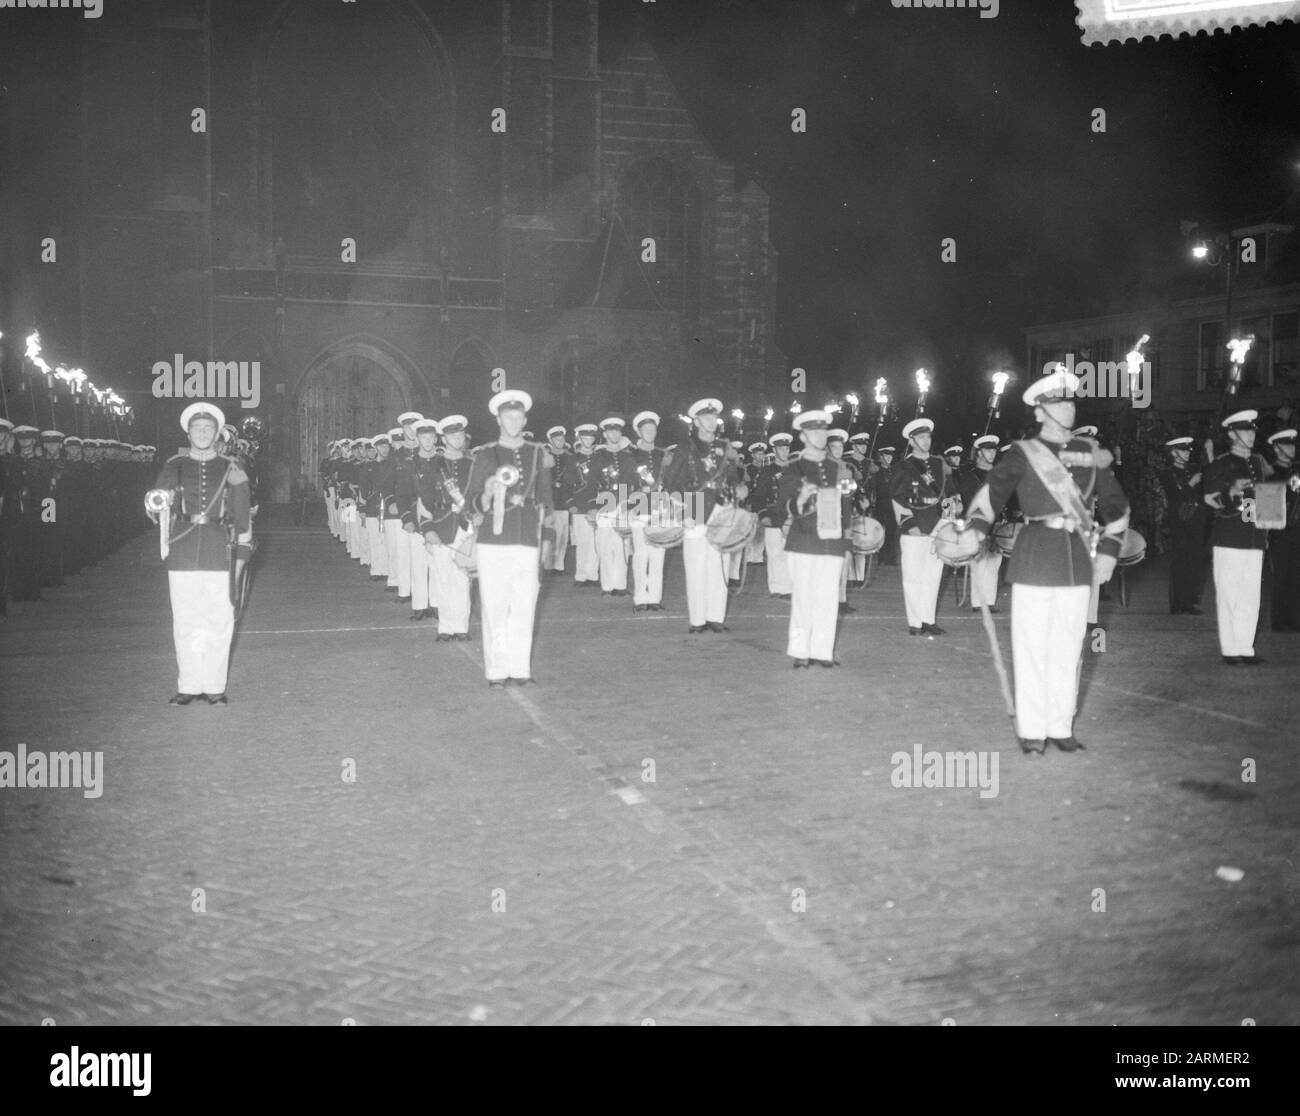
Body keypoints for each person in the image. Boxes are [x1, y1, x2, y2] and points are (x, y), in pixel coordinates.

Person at [957, 367, 1129, 753]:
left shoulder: (1090, 454)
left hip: (1078, 560)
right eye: (1058, 403)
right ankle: (1033, 729)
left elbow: (1117, 507)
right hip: (1035, 557)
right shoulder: (1022, 453)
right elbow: (991, 496)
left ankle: (1060, 725)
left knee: (1069, 645)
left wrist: (1110, 551)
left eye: (1070, 401)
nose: (1068, 409)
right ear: (1039, 412)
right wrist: (973, 531)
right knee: (1032, 645)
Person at [146, 402, 252, 706]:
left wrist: (243, 551)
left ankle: (215, 685)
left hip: (219, 547)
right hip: (182, 545)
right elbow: (158, 503)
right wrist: (159, 503)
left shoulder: (232, 467)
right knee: (186, 617)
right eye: (197, 428)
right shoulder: (173, 465)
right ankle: (189, 684)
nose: (203, 433)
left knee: (219, 617)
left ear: (217, 433)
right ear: (188, 432)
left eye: (208, 429)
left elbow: (242, 515)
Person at [463, 389, 553, 687]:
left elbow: (546, 502)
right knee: (495, 605)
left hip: (527, 537)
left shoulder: (537, 453)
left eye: (518, 416)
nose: (513, 421)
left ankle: (520, 669)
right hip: (493, 540)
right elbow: (469, 503)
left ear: (525, 418)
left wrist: (548, 542)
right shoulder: (485, 455)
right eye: (507, 416)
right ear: (498, 419)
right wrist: (488, 491)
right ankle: (497, 670)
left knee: (525, 605)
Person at [660, 397, 747, 634]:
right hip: (696, 504)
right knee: (696, 564)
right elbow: (671, 484)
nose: (712, 421)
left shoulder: (723, 447)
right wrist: (682, 511)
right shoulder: (685, 448)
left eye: (715, 417)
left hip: (723, 507)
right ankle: (698, 619)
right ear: (696, 421)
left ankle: (716, 617)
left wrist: (739, 486)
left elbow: (732, 476)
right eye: (706, 417)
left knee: (720, 563)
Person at [778, 410, 850, 668]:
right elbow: (782, 507)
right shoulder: (793, 468)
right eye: (814, 431)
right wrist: (799, 499)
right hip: (804, 542)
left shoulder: (838, 467)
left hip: (833, 542)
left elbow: (846, 506)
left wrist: (847, 540)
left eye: (823, 431)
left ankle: (822, 652)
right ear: (803, 435)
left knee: (828, 599)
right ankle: (800, 651)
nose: (820, 435)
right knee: (803, 599)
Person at [1203, 410, 1273, 664]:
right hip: (1229, 538)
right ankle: (1230, 649)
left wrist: (1266, 529)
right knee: (1229, 593)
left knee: (1251, 596)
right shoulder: (1221, 464)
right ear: (1232, 434)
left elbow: (1265, 497)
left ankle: (1245, 646)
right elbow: (1209, 500)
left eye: (1253, 430)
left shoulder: (1257, 463)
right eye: (1245, 431)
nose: (1251, 435)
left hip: (1254, 539)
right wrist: (1230, 493)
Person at [891, 418, 958, 636]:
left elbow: (950, 495)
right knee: (913, 576)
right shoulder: (904, 466)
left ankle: (928, 619)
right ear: (911, 441)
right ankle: (915, 622)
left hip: (938, 525)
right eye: (921, 437)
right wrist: (909, 524)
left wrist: (947, 523)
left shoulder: (940, 465)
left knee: (933, 575)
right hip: (915, 526)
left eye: (928, 436)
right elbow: (897, 498)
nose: (926, 441)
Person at [423, 415, 474, 641]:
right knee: (443, 578)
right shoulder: (433, 465)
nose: (458, 438)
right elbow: (423, 502)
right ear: (443, 438)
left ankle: (461, 627)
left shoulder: (472, 464)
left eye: (461, 434)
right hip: (441, 527)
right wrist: (428, 529)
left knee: (463, 578)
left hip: (466, 527)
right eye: (453, 435)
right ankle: (445, 627)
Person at [1160, 435, 1208, 616]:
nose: (1187, 453)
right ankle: (1177, 603)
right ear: (1173, 452)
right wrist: (1190, 484)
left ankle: (1190, 602)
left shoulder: (1193, 469)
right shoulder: (1168, 473)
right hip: (1179, 523)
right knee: (1179, 561)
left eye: (1188, 450)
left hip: (1196, 521)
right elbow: (1175, 498)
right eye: (1182, 450)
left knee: (1195, 562)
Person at [400, 418, 442, 621]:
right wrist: (406, 518)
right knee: (418, 564)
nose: (427, 441)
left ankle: (436, 604)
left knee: (436, 563)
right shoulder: (409, 464)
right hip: (415, 520)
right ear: (417, 438)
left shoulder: (443, 461)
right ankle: (419, 605)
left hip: (438, 520)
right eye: (422, 437)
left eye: (430, 437)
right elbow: (401, 494)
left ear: (435, 438)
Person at [592, 416, 637, 597]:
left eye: (617, 431)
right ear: (604, 434)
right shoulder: (598, 456)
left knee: (622, 544)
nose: (614, 434)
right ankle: (607, 585)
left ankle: (620, 585)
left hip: (624, 501)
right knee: (604, 545)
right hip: (604, 501)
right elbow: (591, 482)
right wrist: (591, 506)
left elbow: (633, 480)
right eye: (610, 431)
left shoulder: (628, 457)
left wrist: (631, 503)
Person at [958, 434, 1003, 612]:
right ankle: (978, 602)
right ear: (978, 453)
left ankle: (989, 601)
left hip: (998, 523)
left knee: (994, 563)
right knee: (980, 563)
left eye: (993, 450)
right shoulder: (970, 476)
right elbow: (968, 501)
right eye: (987, 450)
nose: (991, 453)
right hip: (978, 523)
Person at [629, 411, 667, 611]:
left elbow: (670, 479)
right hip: (639, 505)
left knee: (658, 554)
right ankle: (640, 598)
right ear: (639, 431)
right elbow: (626, 481)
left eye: (652, 430)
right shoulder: (632, 454)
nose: (650, 433)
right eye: (646, 430)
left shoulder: (663, 454)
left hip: (660, 506)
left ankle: (654, 598)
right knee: (641, 554)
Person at [754, 431, 794, 599]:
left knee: (789, 554)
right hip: (773, 514)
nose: (784, 451)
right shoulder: (767, 471)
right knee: (774, 552)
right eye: (781, 448)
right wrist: (763, 514)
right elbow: (758, 496)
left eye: (786, 448)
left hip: (791, 516)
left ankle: (788, 588)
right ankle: (776, 587)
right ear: (774, 450)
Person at [1266, 428, 1299, 632]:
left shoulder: (1295, 472)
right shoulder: (1271, 473)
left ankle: (1295, 619)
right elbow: (1267, 509)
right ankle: (1280, 620)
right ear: (1277, 448)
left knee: (1296, 576)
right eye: (1287, 445)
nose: (1292, 448)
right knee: (1281, 577)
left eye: (1293, 444)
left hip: (1297, 531)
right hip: (1280, 532)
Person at [563, 423, 601, 586]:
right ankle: (581, 575)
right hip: (579, 504)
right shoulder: (574, 459)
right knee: (582, 542)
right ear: (579, 438)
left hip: (598, 503)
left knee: (595, 541)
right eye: (584, 438)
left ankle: (593, 575)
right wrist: (570, 503)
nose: (588, 441)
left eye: (591, 438)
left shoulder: (600, 458)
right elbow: (566, 483)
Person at [542, 425, 571, 573]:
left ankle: (559, 565)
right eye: (556, 439)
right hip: (549, 500)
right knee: (549, 533)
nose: (560, 441)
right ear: (551, 440)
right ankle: (548, 564)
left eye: (562, 438)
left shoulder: (569, 457)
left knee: (563, 534)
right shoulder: (545, 456)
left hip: (564, 500)